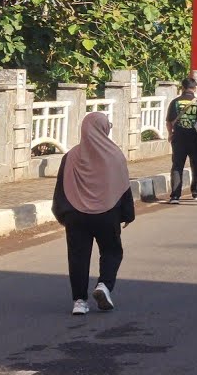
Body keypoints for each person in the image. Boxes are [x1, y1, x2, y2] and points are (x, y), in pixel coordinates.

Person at [52, 112, 135, 315]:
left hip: (75, 214)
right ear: (104, 129)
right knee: (111, 251)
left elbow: (61, 186)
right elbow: (123, 186)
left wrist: (62, 213)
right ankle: (104, 285)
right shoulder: (114, 155)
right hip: (107, 213)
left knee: (78, 256)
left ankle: (79, 301)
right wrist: (127, 214)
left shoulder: (70, 156)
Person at [165, 77, 197, 203]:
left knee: (177, 166)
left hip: (179, 139)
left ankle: (175, 196)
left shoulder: (175, 102)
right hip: (195, 139)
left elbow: (169, 121)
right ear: (195, 89)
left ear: (182, 88)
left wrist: (170, 134)